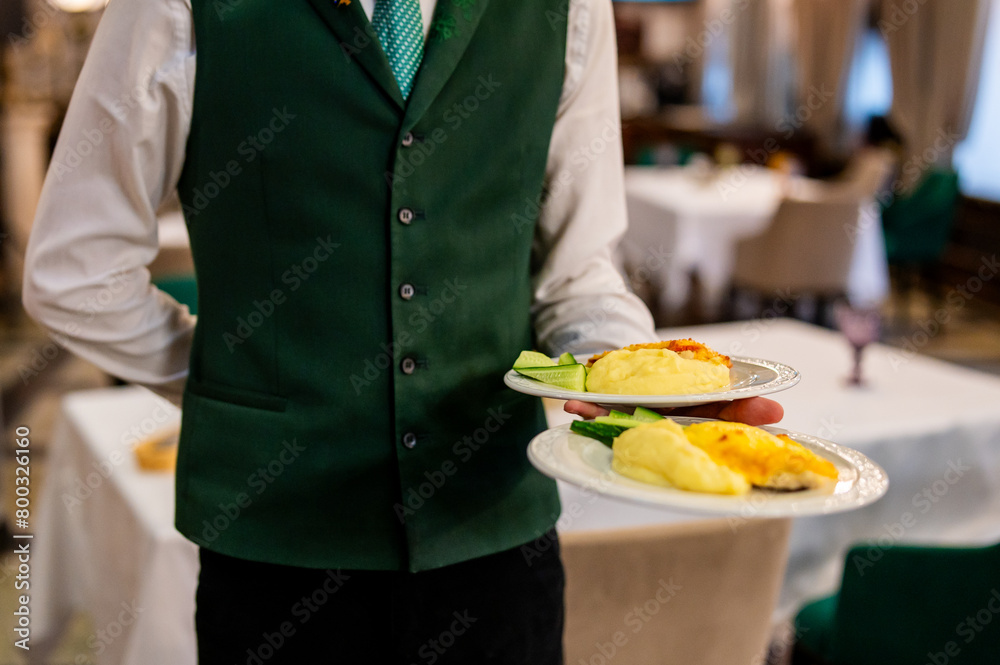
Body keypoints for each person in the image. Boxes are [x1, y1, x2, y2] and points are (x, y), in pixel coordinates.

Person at [22, 0, 782, 662]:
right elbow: (75, 270)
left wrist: (645, 391)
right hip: (279, 558)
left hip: (495, 554)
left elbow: (577, 276)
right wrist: (235, 384)